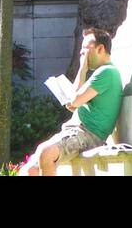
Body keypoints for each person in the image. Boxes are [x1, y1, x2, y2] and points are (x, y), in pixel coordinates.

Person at [21, 28, 123, 176]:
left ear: (100, 48)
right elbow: (72, 104)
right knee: (29, 170)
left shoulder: (106, 72)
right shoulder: (102, 73)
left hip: (89, 135)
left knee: (46, 153)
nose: (81, 53)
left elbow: (74, 100)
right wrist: (74, 100)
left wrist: (82, 68)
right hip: (75, 131)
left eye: (85, 49)